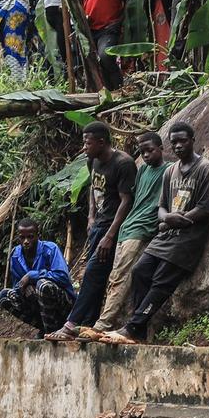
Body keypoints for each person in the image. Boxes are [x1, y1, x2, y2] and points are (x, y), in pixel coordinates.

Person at [105, 122, 209, 345]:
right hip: (165, 235)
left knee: (161, 280)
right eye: (174, 142)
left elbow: (206, 207)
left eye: (183, 141)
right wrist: (167, 218)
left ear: (192, 141)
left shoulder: (205, 168)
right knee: (139, 272)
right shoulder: (170, 171)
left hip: (188, 238)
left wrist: (182, 219)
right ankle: (137, 330)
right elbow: (161, 207)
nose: (178, 146)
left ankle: (132, 328)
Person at [46, 121, 136, 342]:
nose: (84, 147)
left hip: (113, 228)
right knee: (97, 275)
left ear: (101, 142)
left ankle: (71, 325)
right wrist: (91, 216)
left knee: (93, 273)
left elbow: (126, 201)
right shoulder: (92, 160)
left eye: (87, 143)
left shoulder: (123, 164)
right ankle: (87, 324)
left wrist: (110, 235)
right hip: (98, 226)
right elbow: (92, 189)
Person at [81, 132, 168, 339]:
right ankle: (104, 322)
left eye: (150, 150)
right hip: (127, 227)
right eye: (142, 152)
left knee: (120, 275)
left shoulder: (169, 170)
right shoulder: (143, 169)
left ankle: (102, 325)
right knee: (115, 276)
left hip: (142, 228)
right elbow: (131, 196)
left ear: (161, 148)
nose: (145, 155)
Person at [0, 219, 75, 336]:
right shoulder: (15, 255)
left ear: (38, 235)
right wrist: (24, 288)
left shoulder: (50, 249)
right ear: (18, 237)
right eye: (22, 238)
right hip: (37, 305)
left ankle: (51, 332)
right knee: (4, 295)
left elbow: (63, 277)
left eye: (30, 237)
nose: (26, 241)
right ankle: (44, 328)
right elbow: (17, 285)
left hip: (62, 304)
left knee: (42, 285)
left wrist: (33, 275)